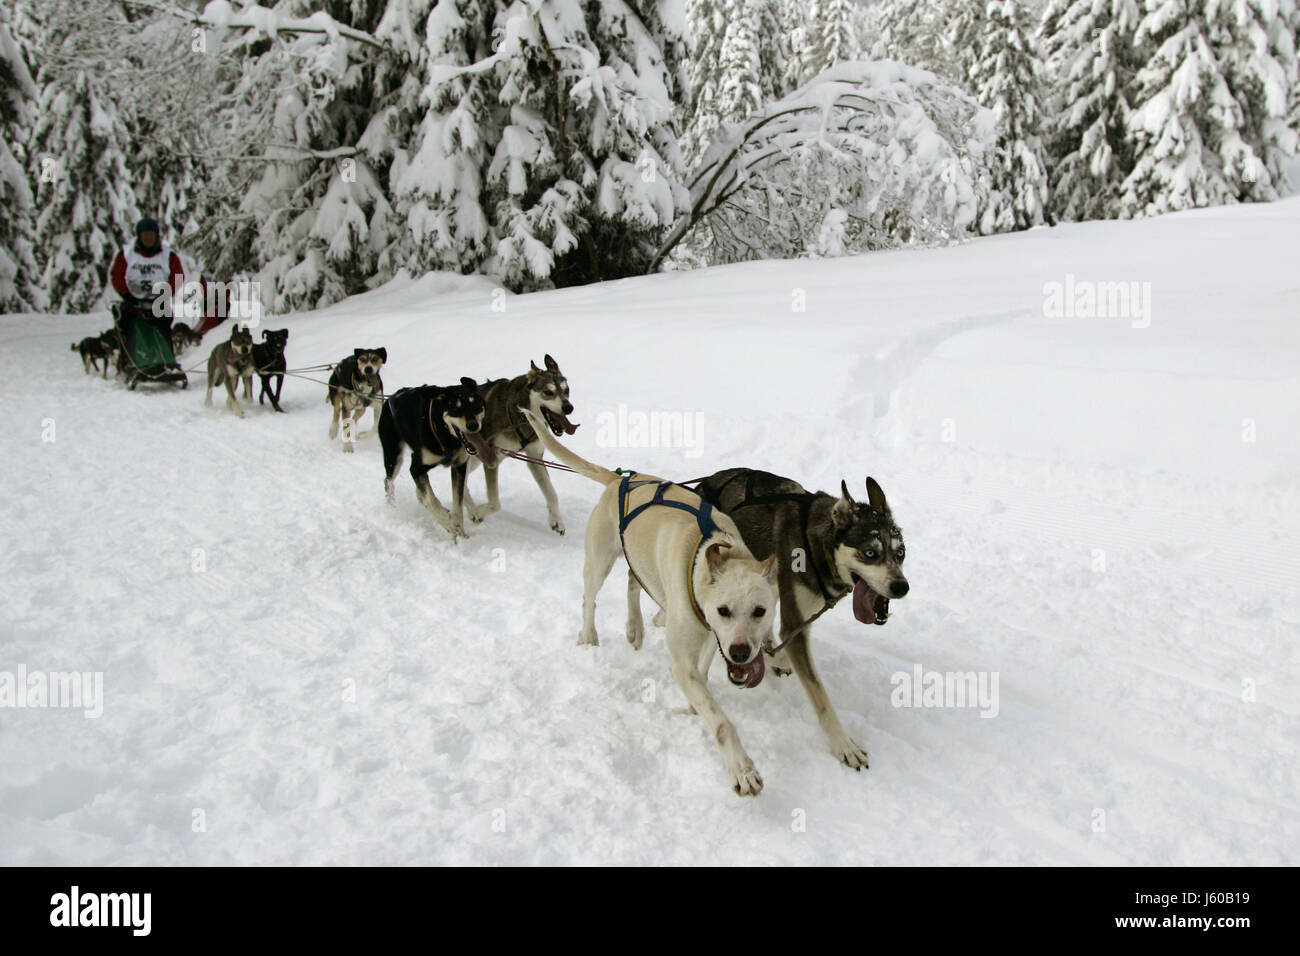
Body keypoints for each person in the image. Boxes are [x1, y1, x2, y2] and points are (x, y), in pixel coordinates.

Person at [109, 217, 184, 333]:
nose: (148, 238)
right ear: (139, 236)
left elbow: (178, 277)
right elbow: (116, 276)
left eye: (151, 234)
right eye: (145, 235)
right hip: (133, 304)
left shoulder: (168, 255)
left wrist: (166, 294)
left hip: (159, 304)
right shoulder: (126, 254)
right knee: (125, 330)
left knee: (164, 332)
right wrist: (126, 295)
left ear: (156, 235)